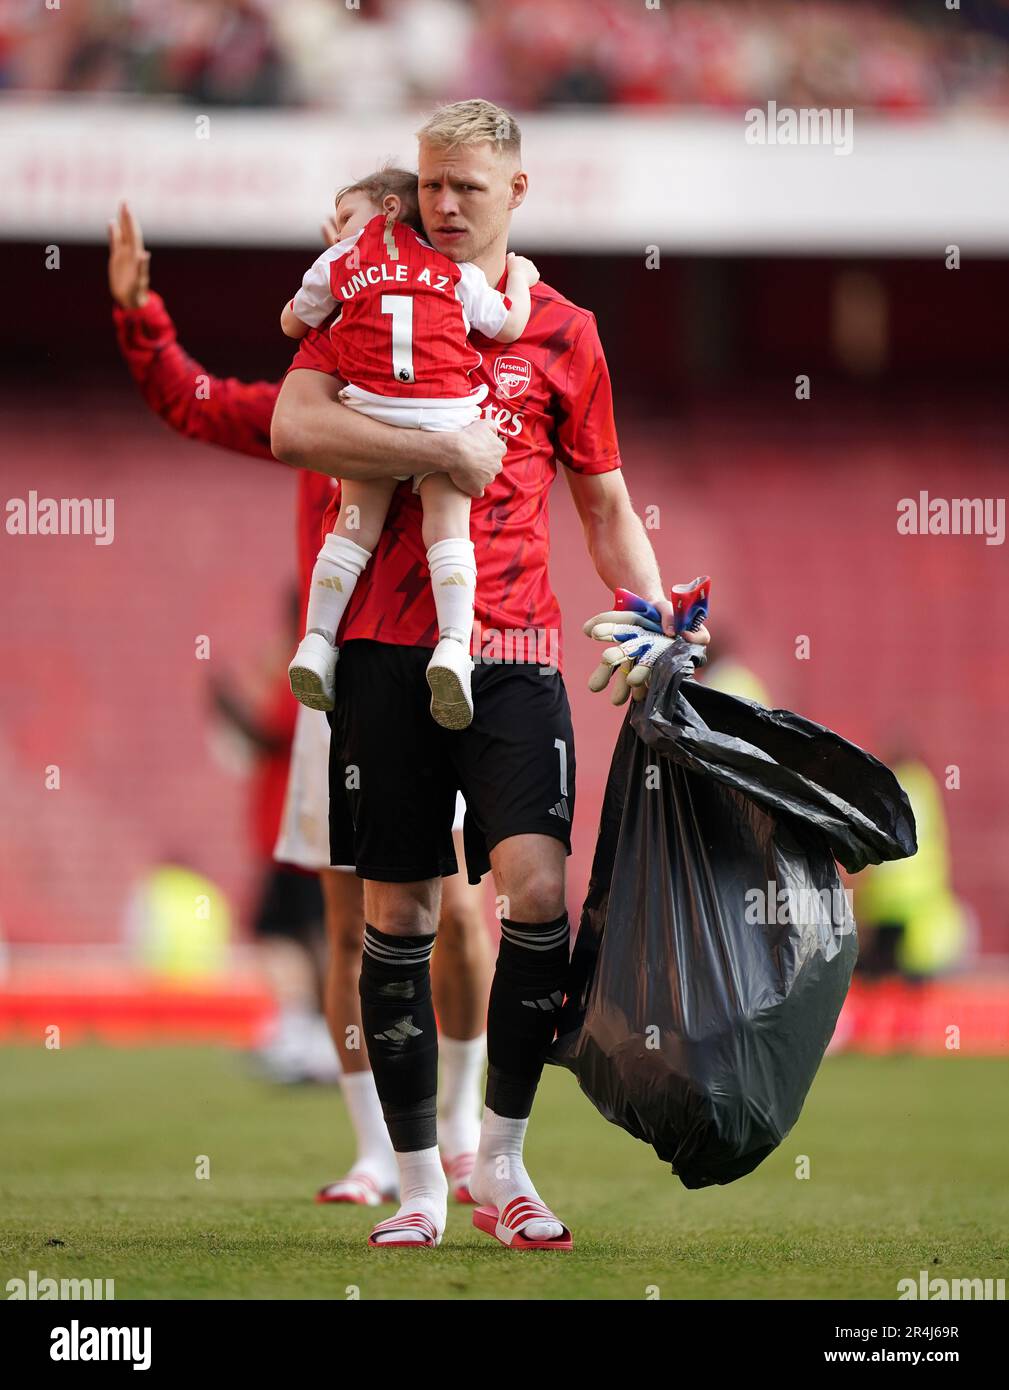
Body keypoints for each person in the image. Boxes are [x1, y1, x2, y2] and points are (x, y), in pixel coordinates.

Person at [271, 98, 710, 1249]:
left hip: (512, 649)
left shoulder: (566, 330)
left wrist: (657, 621)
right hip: (379, 648)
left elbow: (605, 501)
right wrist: (438, 448)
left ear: (518, 192)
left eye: (467, 186)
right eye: (429, 184)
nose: (445, 205)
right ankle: (417, 1181)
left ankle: (504, 1160)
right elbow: (292, 424)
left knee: (536, 893)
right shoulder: (371, 285)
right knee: (398, 910)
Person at [108, 200, 497, 1206]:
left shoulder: (458, 366)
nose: (341, 243)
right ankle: (376, 1148)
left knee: (456, 909)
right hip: (340, 686)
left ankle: (459, 1120)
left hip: (434, 673)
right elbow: (193, 400)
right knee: (349, 918)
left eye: (353, 223)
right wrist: (139, 313)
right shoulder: (311, 394)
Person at [283, 166, 538, 730]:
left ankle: (316, 642)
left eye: (346, 216)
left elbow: (290, 324)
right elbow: (507, 325)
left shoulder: (338, 262)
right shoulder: (453, 268)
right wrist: (519, 276)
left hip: (373, 411)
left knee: (351, 532)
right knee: (448, 531)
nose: (337, 227)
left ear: (389, 209)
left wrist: (336, 281)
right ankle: (453, 646)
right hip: (447, 417)